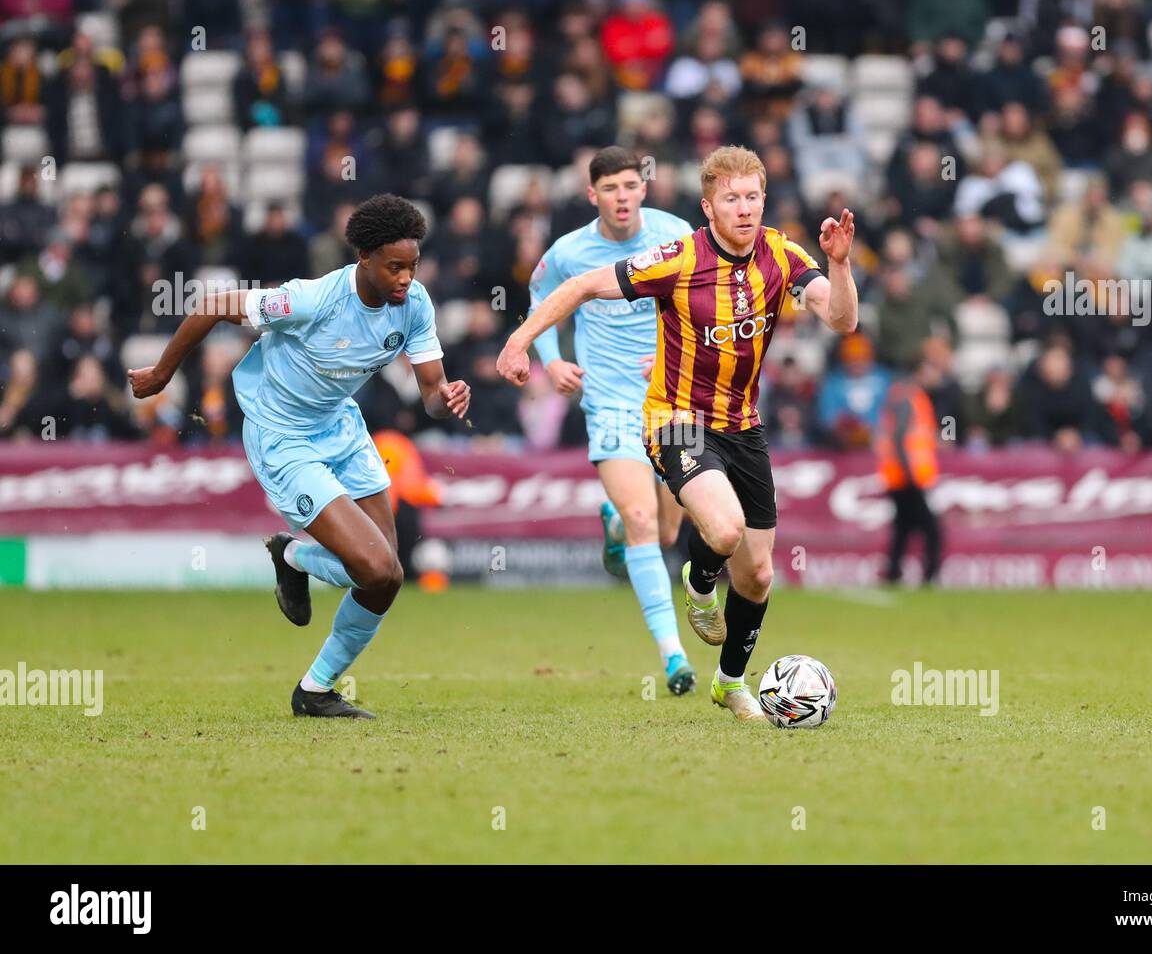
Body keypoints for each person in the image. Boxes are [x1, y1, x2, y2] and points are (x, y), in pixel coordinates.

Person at [497, 146, 858, 721]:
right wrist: (521, 343)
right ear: (708, 207)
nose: (744, 209)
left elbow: (841, 319)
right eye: (731, 199)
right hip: (676, 419)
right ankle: (697, 580)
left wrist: (839, 265)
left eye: (752, 197)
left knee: (760, 573)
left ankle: (729, 682)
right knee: (723, 528)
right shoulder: (678, 257)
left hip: (744, 427)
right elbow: (583, 286)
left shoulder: (783, 254)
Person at [128, 195, 471, 719]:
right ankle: (292, 557)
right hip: (283, 436)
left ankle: (315, 690)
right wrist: (161, 374)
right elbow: (214, 305)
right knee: (374, 565)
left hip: (342, 427)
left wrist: (445, 402)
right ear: (364, 259)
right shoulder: (309, 300)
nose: (405, 278)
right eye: (394, 266)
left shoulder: (416, 305)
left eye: (413, 266)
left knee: (387, 577)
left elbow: (431, 393)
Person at [529, 146, 697, 695]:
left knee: (671, 529)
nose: (622, 197)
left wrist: (682, 351)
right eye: (611, 189)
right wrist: (551, 359)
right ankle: (674, 657)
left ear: (643, 189)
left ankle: (614, 522)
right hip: (611, 403)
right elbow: (539, 299)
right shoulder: (569, 252)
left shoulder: (677, 236)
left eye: (630, 186)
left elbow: (706, 300)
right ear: (592, 195)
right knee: (647, 521)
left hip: (673, 400)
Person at [878, 371, 942, 584]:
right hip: (907, 477)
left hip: (899, 477)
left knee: (903, 529)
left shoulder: (902, 397)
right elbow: (899, 438)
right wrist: (910, 473)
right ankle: (930, 575)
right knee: (932, 530)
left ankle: (894, 573)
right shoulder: (909, 398)